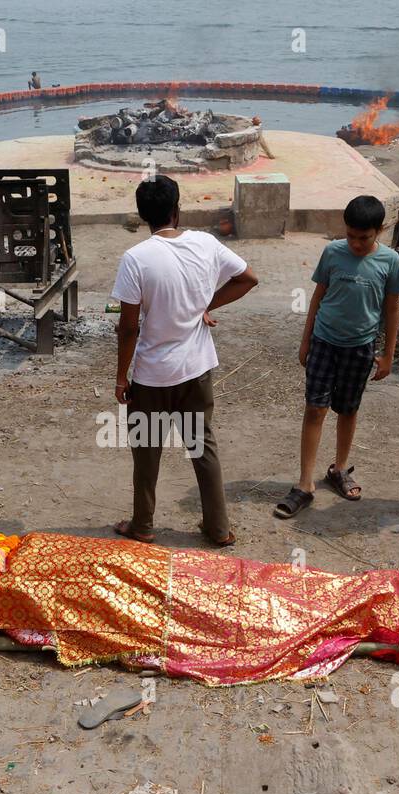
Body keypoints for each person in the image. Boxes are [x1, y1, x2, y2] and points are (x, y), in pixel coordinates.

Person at [110, 175, 258, 547]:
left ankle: (142, 525)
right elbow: (248, 278)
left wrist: (120, 378)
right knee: (202, 448)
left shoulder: (136, 259)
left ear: (144, 215)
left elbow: (128, 328)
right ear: (178, 211)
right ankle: (218, 528)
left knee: (146, 454)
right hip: (197, 369)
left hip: (153, 376)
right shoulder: (206, 243)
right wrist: (206, 305)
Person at [274, 196, 399, 519]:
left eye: (365, 237)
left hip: (360, 348)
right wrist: (305, 342)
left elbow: (391, 308)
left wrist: (388, 354)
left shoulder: (390, 261)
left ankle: (340, 469)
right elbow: (317, 298)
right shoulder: (332, 253)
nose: (357, 244)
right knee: (315, 409)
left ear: (380, 231)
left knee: (348, 409)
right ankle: (305, 484)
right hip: (324, 342)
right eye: (351, 236)